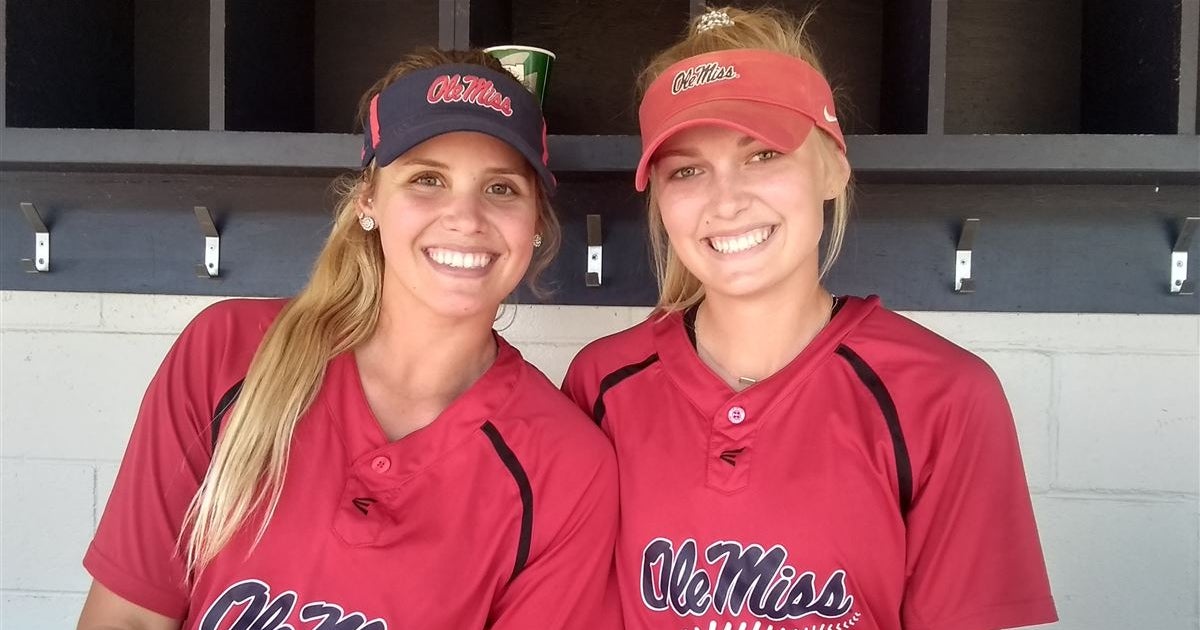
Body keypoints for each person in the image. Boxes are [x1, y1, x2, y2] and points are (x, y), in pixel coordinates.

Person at [78, 48, 620, 630]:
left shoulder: (568, 465)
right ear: (369, 201)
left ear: (535, 222)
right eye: (427, 179)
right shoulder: (228, 352)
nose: (465, 217)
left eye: (501, 189)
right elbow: (129, 616)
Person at [563, 7, 1058, 630]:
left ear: (833, 167)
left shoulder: (945, 395)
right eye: (687, 171)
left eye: (763, 154)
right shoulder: (600, 384)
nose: (727, 200)